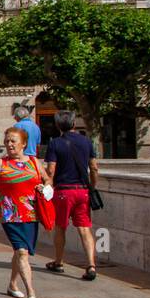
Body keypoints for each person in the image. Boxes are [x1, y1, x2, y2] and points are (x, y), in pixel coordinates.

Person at [0, 127, 49, 298]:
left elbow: (47, 179)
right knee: (22, 252)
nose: (9, 144)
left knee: (20, 252)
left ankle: (12, 284)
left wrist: (45, 187)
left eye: (13, 141)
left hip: (31, 213)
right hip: (10, 214)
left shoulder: (34, 162)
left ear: (23, 144)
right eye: (7, 141)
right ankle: (31, 293)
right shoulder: (1, 164)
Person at [44, 111, 100, 281]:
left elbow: (51, 169)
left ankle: (59, 262)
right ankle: (91, 265)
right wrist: (92, 185)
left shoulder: (55, 144)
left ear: (58, 125)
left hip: (63, 191)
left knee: (60, 227)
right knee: (85, 228)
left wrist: (48, 185)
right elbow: (94, 167)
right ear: (74, 123)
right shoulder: (86, 141)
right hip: (82, 191)